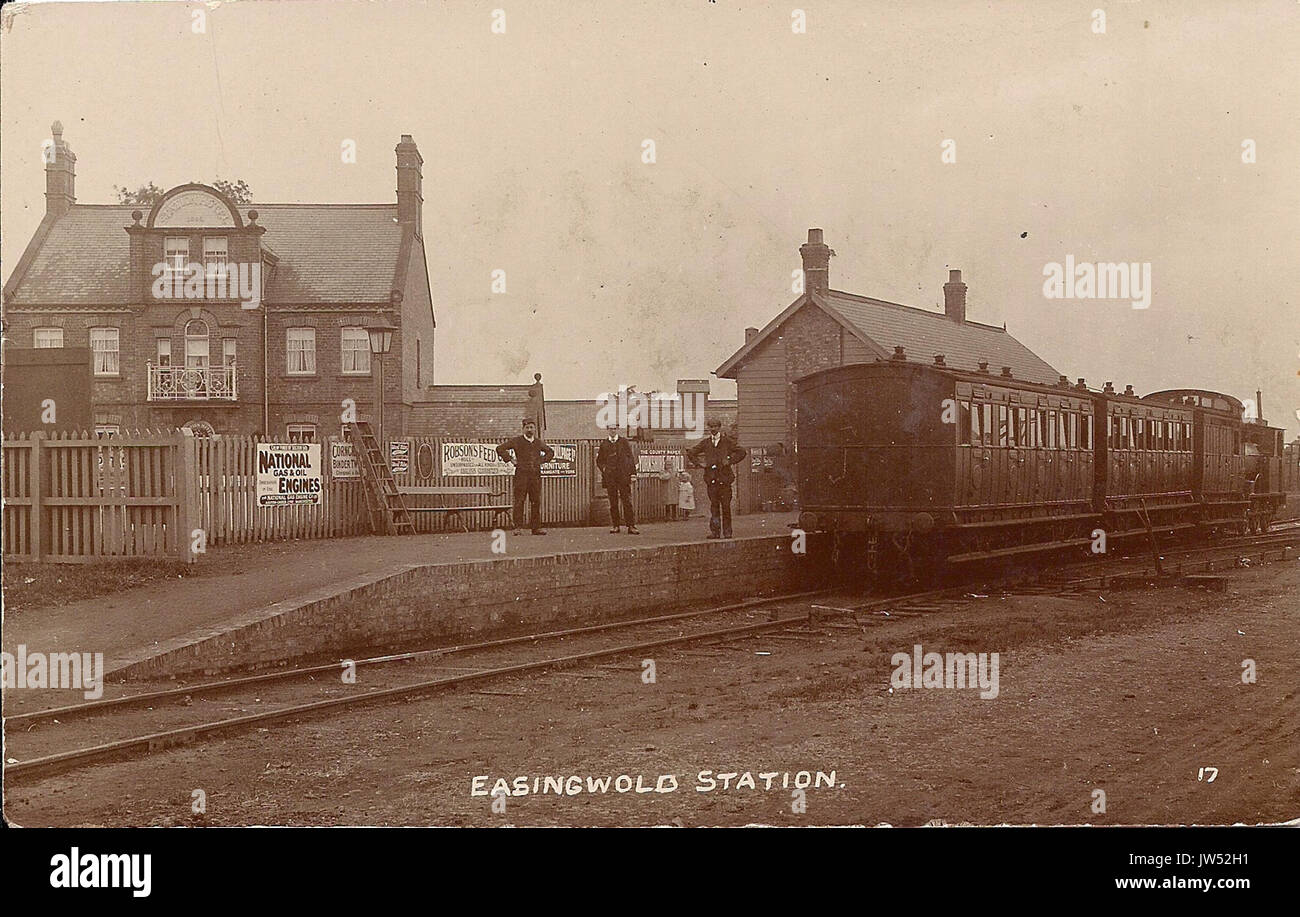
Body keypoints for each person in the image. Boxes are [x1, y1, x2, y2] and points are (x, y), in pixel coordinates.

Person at [686, 418, 747, 538]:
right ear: (708, 428)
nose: (713, 429)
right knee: (714, 507)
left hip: (725, 480)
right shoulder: (706, 443)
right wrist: (699, 464)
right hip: (711, 480)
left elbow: (742, 452)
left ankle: (728, 532)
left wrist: (729, 461)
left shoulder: (727, 441)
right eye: (710, 427)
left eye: (715, 426)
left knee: (725, 506)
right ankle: (715, 532)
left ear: (719, 427)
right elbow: (691, 452)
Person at [496, 418, 553, 535]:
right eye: (527, 427)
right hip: (521, 475)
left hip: (535, 476)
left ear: (535, 429)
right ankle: (518, 528)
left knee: (535, 501)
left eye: (531, 427)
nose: (529, 430)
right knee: (519, 501)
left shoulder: (538, 442)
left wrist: (540, 461)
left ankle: (536, 528)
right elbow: (500, 448)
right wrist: (511, 459)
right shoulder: (517, 441)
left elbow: (550, 452)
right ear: (523, 429)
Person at [596, 423, 639, 534]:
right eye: (611, 429)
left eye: (615, 429)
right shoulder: (604, 444)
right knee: (613, 502)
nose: (613, 431)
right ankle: (616, 526)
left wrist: (632, 474)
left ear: (617, 429)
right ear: (607, 430)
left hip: (623, 477)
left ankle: (631, 526)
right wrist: (604, 469)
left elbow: (630, 458)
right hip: (611, 478)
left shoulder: (624, 442)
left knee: (626, 501)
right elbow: (599, 461)